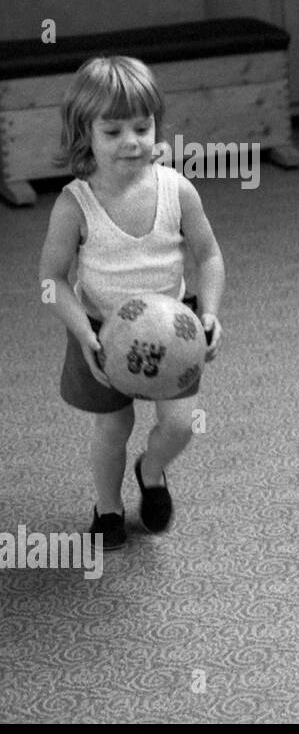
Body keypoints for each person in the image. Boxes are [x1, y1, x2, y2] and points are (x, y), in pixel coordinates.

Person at [38, 56, 226, 550]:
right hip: (100, 332)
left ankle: (153, 470)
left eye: (142, 127)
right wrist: (84, 334)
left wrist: (208, 311)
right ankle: (108, 507)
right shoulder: (73, 205)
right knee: (112, 425)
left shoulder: (178, 190)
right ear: (86, 135)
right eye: (114, 130)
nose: (132, 141)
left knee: (181, 424)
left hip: (174, 330)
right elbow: (52, 280)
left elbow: (207, 256)